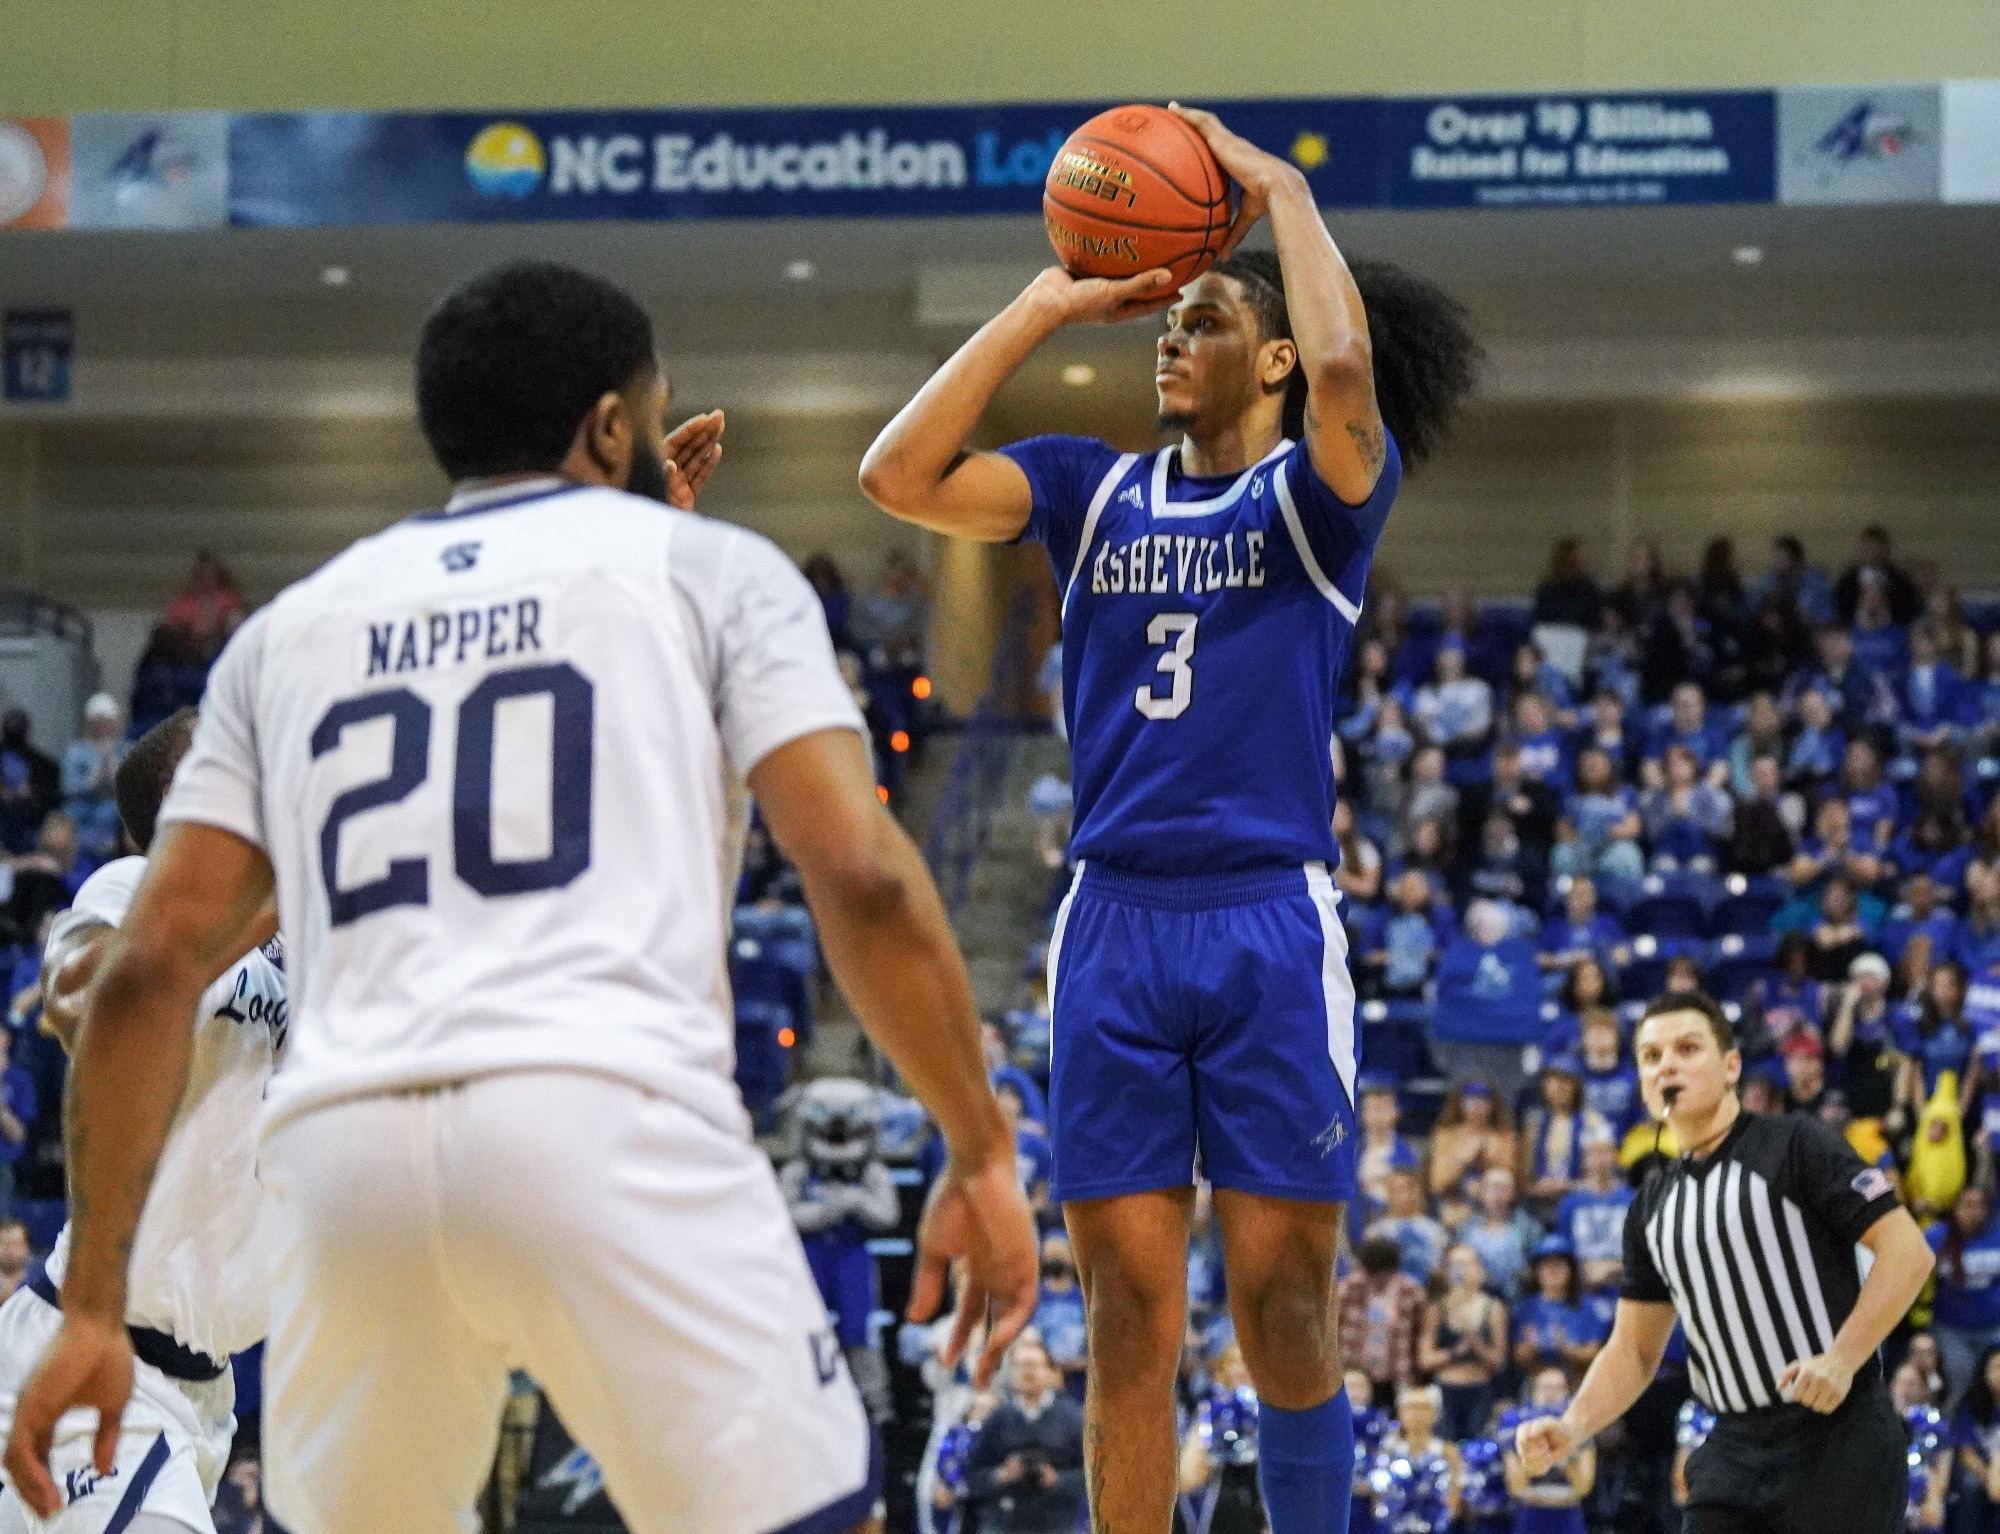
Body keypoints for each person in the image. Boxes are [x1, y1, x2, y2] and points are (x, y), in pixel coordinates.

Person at [4, 262, 1040, 1534]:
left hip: (352, 1172)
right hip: (597, 1112)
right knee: (824, 1512)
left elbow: (153, 973)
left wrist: (94, 1301)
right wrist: (981, 1147)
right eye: (648, 412)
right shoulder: (712, 572)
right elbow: (866, 884)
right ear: (611, 425)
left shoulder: (296, 630)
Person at [859, 103, 1479, 1534]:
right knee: (1129, 1326)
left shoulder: (1321, 497)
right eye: (1167, 317)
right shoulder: (1090, 486)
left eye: (1200, 317)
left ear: (1262, 359)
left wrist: (1271, 186)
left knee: (1282, 1313)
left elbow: (1339, 357)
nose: (1167, 335)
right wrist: (1048, 295)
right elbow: (897, 475)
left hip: (1266, 912)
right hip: (1114, 921)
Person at [0, 708, 287, 1534]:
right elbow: (75, 999)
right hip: (102, 1360)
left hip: (205, 1391)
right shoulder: (132, 892)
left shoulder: (300, 939)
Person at [1516, 990, 1936, 1534]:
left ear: (1731, 1065)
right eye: (1651, 1056)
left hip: (1840, 1435)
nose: (1668, 1064)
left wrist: (1841, 1359)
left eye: (1688, 1048)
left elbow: (1907, 1250)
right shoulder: (1649, 1205)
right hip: (1733, 1448)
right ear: (1643, 1085)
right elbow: (1636, 1352)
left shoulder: (1795, 1144)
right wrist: (1572, 1427)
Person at [965, 1337, 1086, 1534]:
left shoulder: (1074, 1419)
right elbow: (973, 1476)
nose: (1026, 1372)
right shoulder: (997, 1420)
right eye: (1019, 1365)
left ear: (1051, 1371)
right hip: (1005, 1521)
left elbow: (1092, 1477)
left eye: (1033, 1365)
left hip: (1057, 1523)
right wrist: (1002, 1475)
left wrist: (1056, 1480)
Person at [1419, 1242, 1507, 1441]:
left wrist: (1476, 1345)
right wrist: (1456, 1352)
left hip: (1479, 1390)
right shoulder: (1437, 1308)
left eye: (1468, 1264)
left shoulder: (1493, 1308)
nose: (1461, 1270)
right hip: (1445, 1390)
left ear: (1480, 1270)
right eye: (1455, 1264)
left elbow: (1499, 1360)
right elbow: (1425, 1359)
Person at [1176, 1340, 1264, 1534]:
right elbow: (1188, 1476)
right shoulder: (1212, 1409)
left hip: (1266, 1502)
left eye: (1247, 1362)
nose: (1240, 1369)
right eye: (1233, 1362)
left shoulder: (1276, 1411)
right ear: (1223, 1369)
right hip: (1226, 1503)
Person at [1929, 1186, 2000, 1410]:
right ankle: (1948, 1431)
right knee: (1961, 1376)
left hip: (1993, 1326)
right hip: (1951, 1328)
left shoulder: (1996, 1236)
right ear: (1956, 1209)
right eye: (1966, 1205)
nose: (1972, 1211)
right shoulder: (1937, 1236)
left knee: (1994, 1379)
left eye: (1978, 1205)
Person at [1337, 1237, 1426, 1408]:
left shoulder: (1411, 1292)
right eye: (1373, 1273)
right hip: (1354, 1373)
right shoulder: (1349, 1289)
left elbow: (1418, 1334)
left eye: (1383, 1273)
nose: (1378, 1278)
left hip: (1394, 1375)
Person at [1506, 1366, 1595, 1534]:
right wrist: (1535, 1447)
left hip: (1568, 1512)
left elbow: (1583, 1487)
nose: (1551, 1393)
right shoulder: (1516, 1427)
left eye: (1558, 1388)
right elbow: (1516, 1486)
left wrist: (1563, 1447)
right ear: (1533, 1392)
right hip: (1531, 1512)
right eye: (1545, 1387)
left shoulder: (1582, 1431)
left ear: (1568, 1392)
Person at [59, 695, 126, 864]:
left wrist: (110, 763)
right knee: (70, 814)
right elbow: (68, 787)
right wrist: (95, 776)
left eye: (108, 721)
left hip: (110, 806)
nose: (105, 726)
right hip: (80, 806)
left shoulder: (125, 749)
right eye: (100, 721)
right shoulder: (76, 751)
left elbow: (129, 785)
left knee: (108, 812)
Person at [1428, 1082, 1518, 1206]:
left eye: (1483, 1101)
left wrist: (1490, 1155)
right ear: (1461, 1104)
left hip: (1494, 1207)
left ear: (1492, 1105)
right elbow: (1437, 1183)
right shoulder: (1446, 1136)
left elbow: (1510, 1178)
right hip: (1454, 1206)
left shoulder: (1504, 1137)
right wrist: (1462, 1159)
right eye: (1471, 1101)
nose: (1477, 1107)